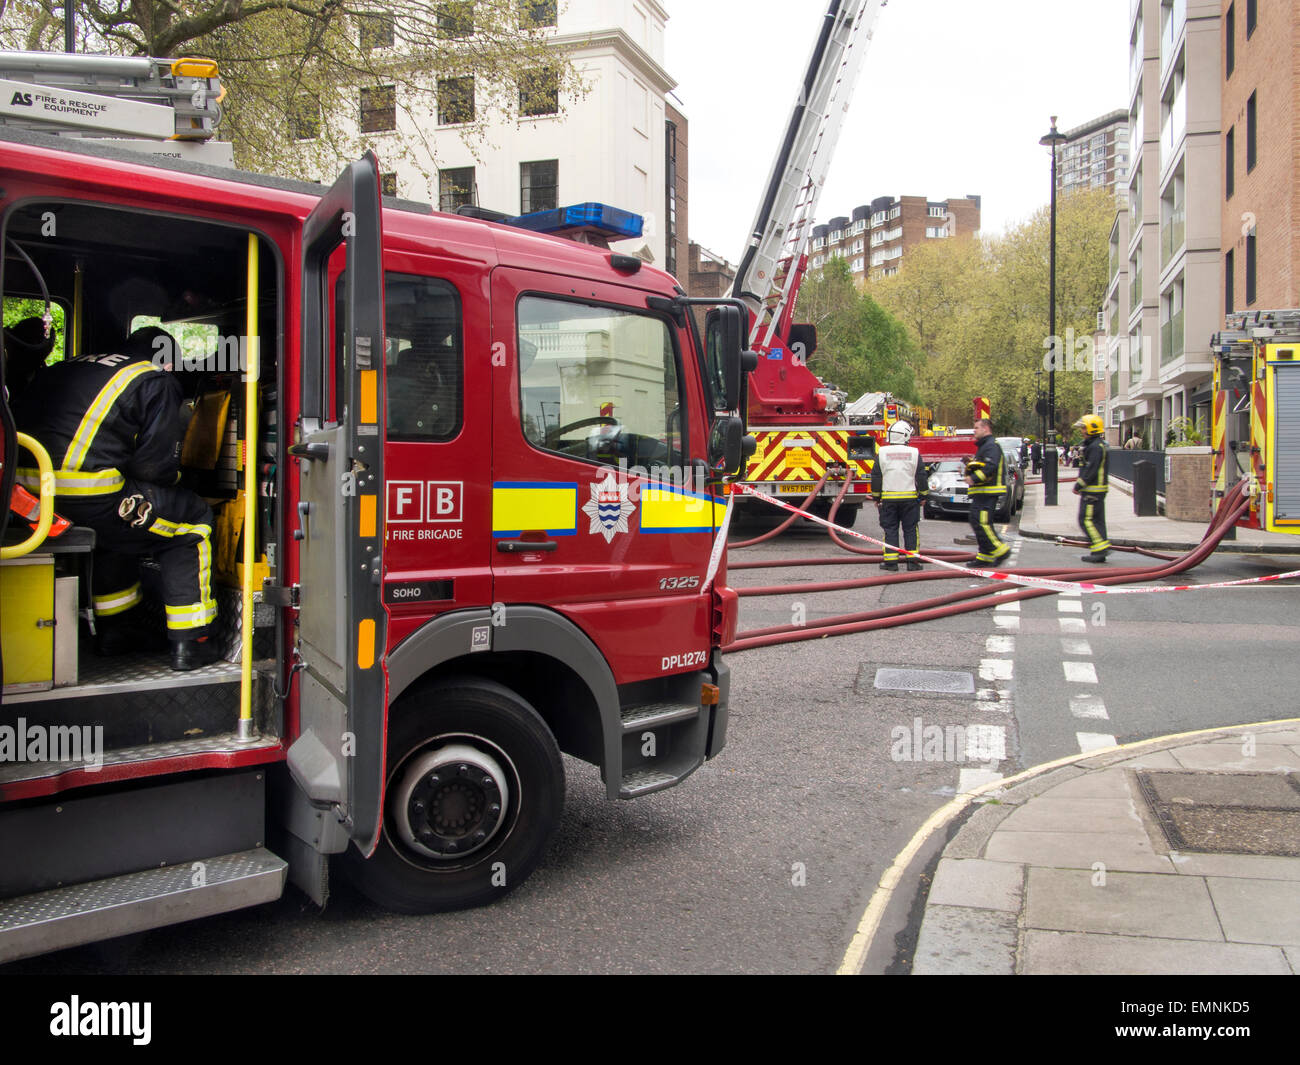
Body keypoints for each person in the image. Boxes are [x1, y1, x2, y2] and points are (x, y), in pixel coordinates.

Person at [14, 325, 219, 670]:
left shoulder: (72, 365)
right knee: (192, 521)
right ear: (167, 360)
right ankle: (192, 641)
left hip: (26, 497)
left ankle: (118, 629)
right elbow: (155, 469)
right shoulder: (155, 379)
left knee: (122, 527)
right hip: (86, 495)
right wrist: (185, 477)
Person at [870, 420, 928, 571]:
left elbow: (876, 477)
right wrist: (923, 496)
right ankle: (912, 563)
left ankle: (891, 563)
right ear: (905, 436)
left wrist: (876, 497)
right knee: (910, 529)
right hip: (910, 500)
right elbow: (921, 476)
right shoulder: (914, 453)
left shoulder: (882, 452)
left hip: (888, 499)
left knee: (890, 529)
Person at [965, 418, 1010, 567]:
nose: (974, 431)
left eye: (976, 428)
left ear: (986, 429)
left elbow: (990, 466)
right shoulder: (985, 446)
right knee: (976, 521)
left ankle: (1000, 549)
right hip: (982, 492)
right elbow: (983, 465)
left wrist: (973, 478)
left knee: (982, 523)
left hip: (987, 492)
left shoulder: (991, 446)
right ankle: (985, 556)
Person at [1074, 413, 1110, 563]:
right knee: (1097, 520)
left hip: (1092, 491)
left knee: (1086, 520)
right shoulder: (1097, 445)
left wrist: (1079, 484)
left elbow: (1091, 469)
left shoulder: (1095, 447)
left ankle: (1099, 549)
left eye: (1084, 428)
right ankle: (1100, 548)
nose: (1082, 431)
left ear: (1091, 428)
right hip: (1097, 490)